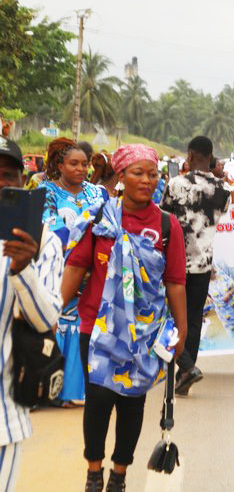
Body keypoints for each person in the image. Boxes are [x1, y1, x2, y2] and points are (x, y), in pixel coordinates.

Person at [61, 144, 188, 492]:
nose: (147, 180)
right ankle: (93, 472)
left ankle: (119, 474)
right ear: (121, 176)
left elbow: (175, 282)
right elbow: (76, 268)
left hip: (144, 332)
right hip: (96, 327)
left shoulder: (167, 226)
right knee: (98, 402)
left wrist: (182, 329)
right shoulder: (100, 218)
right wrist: (51, 310)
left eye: (153, 174)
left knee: (133, 403)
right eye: (138, 173)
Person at [0, 138, 64, 490]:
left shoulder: (44, 242)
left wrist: (22, 269)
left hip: (2, 419)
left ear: (22, 183)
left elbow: (45, 319)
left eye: (8, 175)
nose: (0, 184)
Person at [160, 136, 231, 397]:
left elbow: (164, 218)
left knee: (170, 316)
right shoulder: (224, 190)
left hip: (176, 262)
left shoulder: (176, 184)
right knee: (193, 319)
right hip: (203, 264)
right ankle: (185, 372)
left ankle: (186, 365)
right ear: (210, 157)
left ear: (189, 156)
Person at [40, 138, 105, 408]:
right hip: (60, 267)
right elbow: (50, 225)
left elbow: (108, 224)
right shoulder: (47, 191)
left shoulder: (97, 193)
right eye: (74, 164)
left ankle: (81, 390)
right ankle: (55, 390)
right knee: (60, 321)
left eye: (84, 164)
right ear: (59, 165)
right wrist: (77, 254)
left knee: (85, 325)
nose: (81, 169)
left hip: (95, 268)